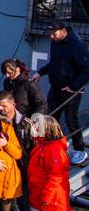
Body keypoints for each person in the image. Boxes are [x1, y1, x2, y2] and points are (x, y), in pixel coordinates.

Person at [26, 114, 72, 211]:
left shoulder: (54, 149)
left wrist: (47, 197)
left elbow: (56, 177)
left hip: (51, 197)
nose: (34, 128)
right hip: (47, 195)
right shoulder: (45, 145)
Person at [38, 21, 89, 159]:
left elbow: (86, 70)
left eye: (54, 34)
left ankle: (80, 150)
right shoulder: (55, 42)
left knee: (71, 119)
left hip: (71, 90)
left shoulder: (78, 46)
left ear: (63, 31)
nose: (51, 37)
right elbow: (54, 63)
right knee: (51, 118)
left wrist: (73, 86)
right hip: (55, 87)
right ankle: (54, 145)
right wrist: (41, 72)